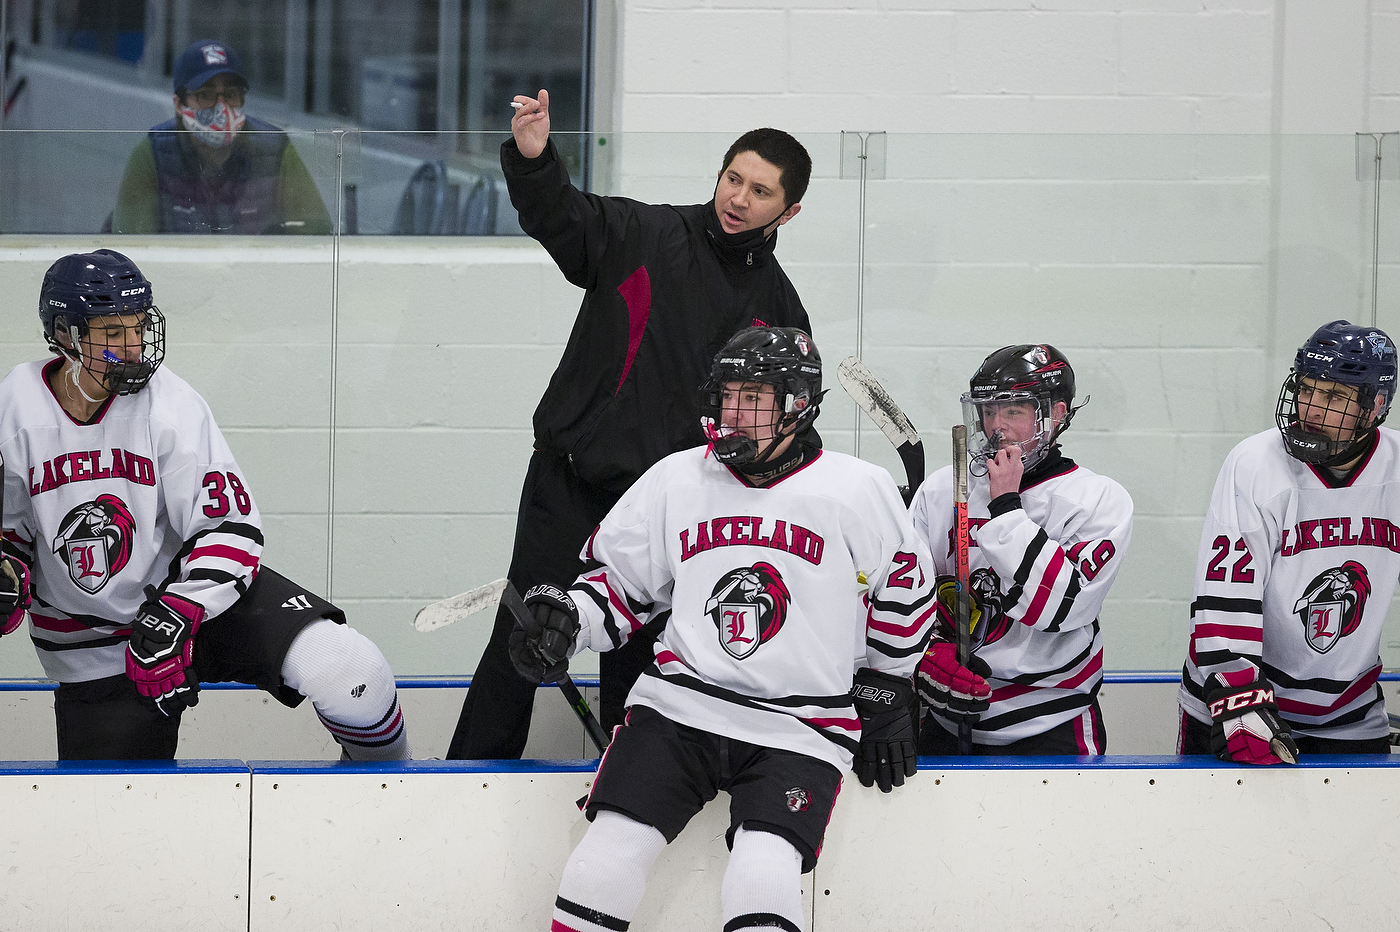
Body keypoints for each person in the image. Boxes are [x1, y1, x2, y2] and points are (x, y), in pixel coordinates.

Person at [509, 326, 934, 932]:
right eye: (726, 396)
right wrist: (568, 623)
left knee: (763, 872)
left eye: (754, 398)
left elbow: (905, 597)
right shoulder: (678, 479)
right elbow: (622, 588)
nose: (734, 414)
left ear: (799, 404)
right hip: (679, 706)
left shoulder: (856, 490)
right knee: (605, 856)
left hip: (801, 721)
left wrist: (889, 684)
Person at [447, 88, 814, 759]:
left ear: (789, 210)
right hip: (569, 485)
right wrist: (534, 157)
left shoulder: (781, 314)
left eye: (760, 192)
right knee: (522, 639)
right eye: (733, 177)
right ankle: (466, 780)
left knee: (637, 664)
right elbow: (563, 217)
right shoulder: (644, 234)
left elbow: (786, 435)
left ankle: (622, 797)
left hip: (667, 517)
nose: (737, 198)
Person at [0, 249, 407, 761]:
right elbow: (12, 536)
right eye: (111, 333)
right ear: (64, 334)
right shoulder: (13, 408)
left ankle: (391, 805)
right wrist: (8, 575)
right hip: (95, 645)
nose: (131, 348)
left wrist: (177, 612)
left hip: (194, 599)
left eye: (137, 327)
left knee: (353, 671)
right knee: (114, 817)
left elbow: (231, 529)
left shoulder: (171, 405)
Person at [1178, 320, 1400, 765]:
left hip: (1351, 714)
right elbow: (1225, 593)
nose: (1310, 409)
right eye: (1305, 389)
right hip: (1240, 704)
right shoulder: (1255, 463)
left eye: (1333, 397)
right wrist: (1238, 695)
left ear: (1375, 405)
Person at [909, 344, 1134, 755]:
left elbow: (1058, 609)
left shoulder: (1097, 500)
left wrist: (1005, 507)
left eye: (1013, 412)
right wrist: (928, 655)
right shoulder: (943, 489)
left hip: (1053, 724)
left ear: (1056, 415)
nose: (997, 427)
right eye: (988, 410)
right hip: (947, 715)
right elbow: (902, 596)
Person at [110, 39, 332, 235]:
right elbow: (132, 248)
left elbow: (317, 238)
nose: (221, 108)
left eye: (231, 94)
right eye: (205, 95)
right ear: (179, 104)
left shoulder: (275, 149)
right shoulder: (154, 153)